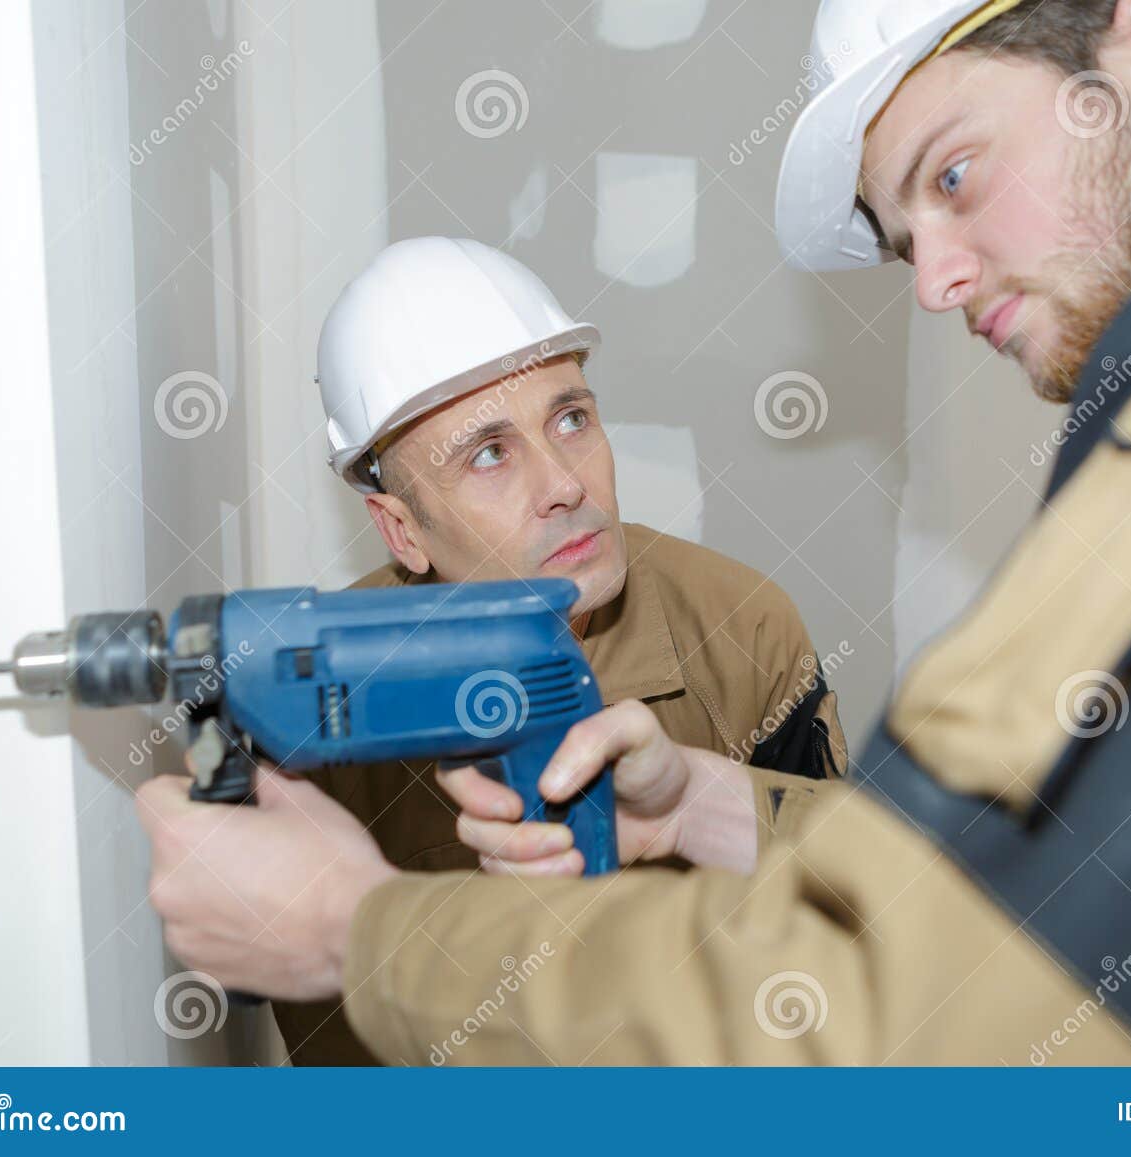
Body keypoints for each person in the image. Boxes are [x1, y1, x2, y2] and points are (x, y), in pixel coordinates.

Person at [137, 0, 1131, 1064]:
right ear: (395, 522)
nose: (931, 283)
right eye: (903, 233)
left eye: (956, 174)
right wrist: (714, 806)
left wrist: (358, 930)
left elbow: (896, 1020)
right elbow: (1105, 884)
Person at [269, 236, 847, 1063]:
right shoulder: (328, 699)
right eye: (490, 453)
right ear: (403, 529)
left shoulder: (741, 626)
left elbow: (846, 948)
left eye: (571, 418)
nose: (565, 485)